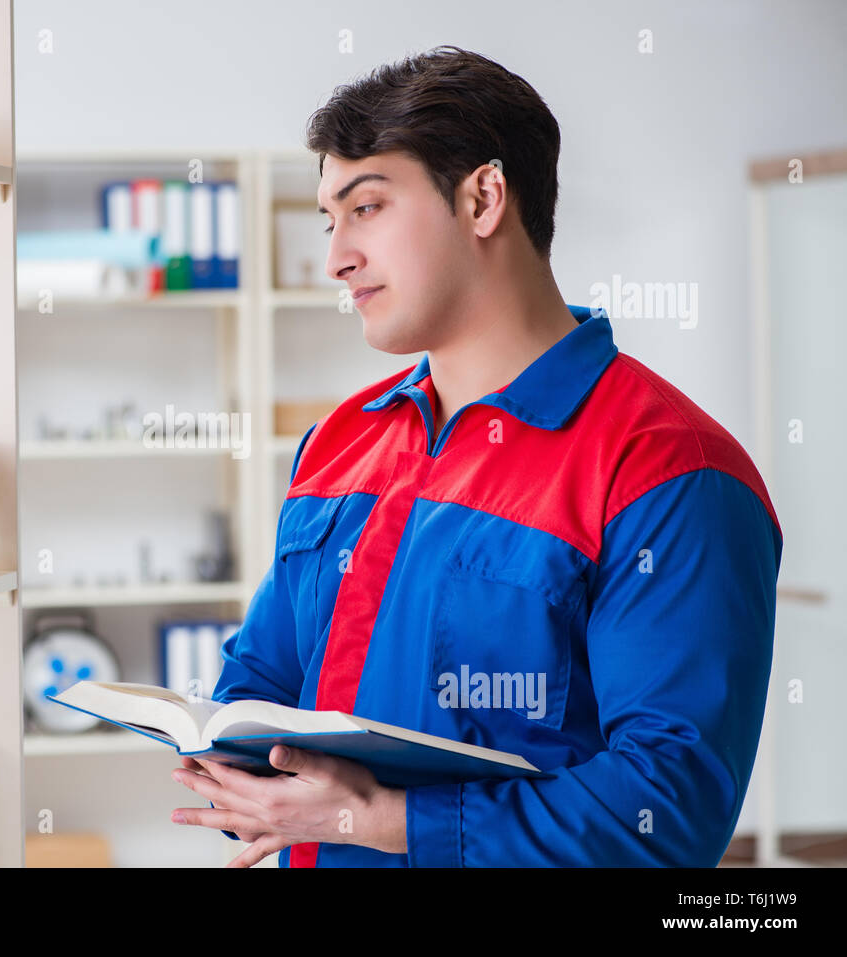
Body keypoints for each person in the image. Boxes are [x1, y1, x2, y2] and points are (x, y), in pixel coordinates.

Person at [169, 46, 782, 868]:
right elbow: (261, 683)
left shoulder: (670, 471)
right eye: (330, 219)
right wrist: (239, 773)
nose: (335, 258)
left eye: (368, 208)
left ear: (484, 198)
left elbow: (665, 809)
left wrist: (382, 820)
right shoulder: (339, 445)